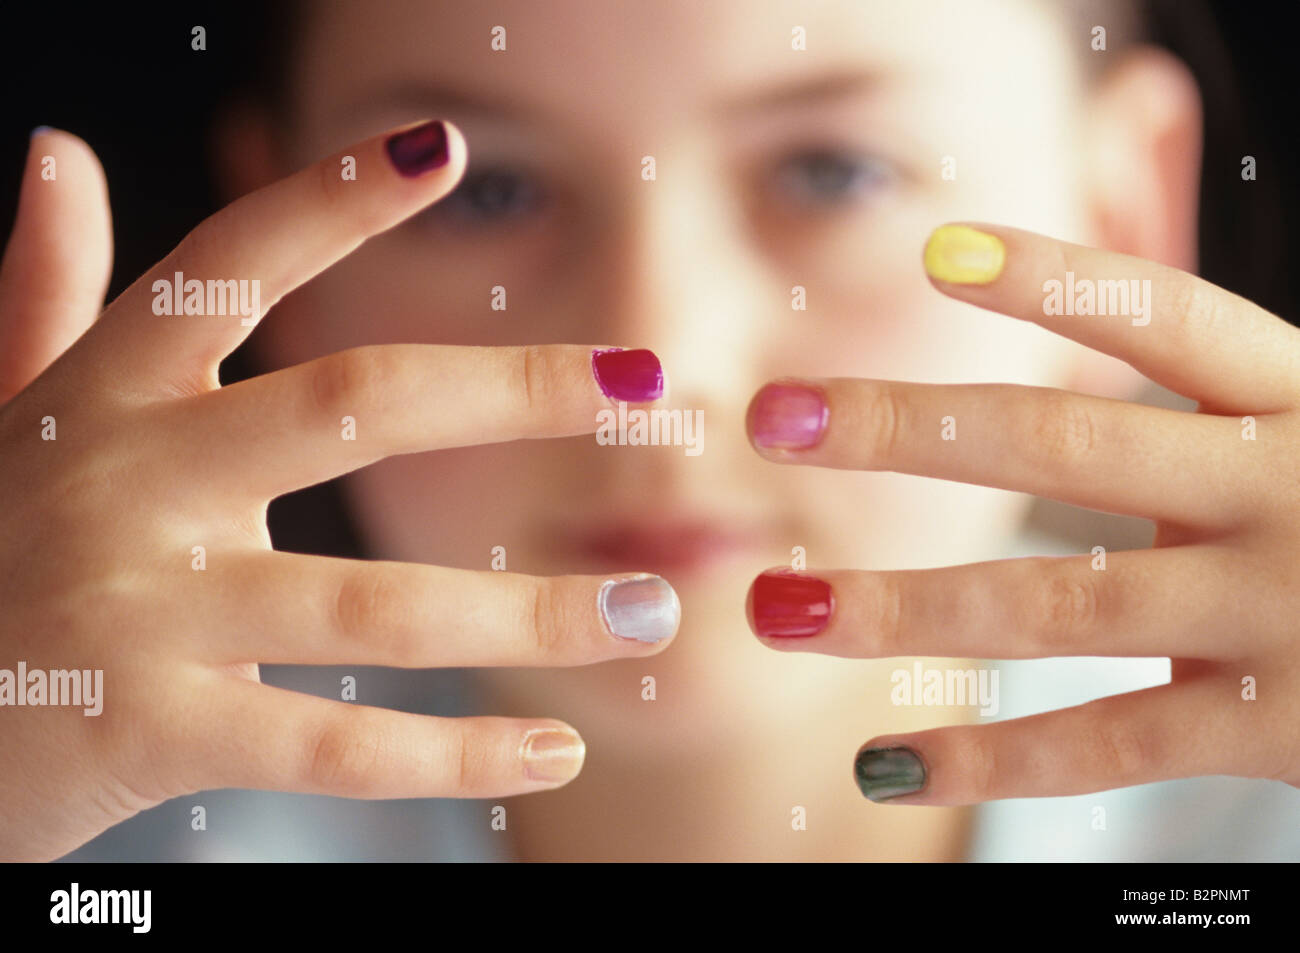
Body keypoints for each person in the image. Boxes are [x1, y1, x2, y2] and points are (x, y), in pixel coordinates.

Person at [3, 0, 1298, 862]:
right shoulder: (92, 821)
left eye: (829, 169)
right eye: (491, 189)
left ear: (1121, 215)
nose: (663, 360)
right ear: (273, 269)